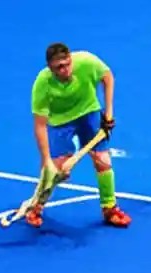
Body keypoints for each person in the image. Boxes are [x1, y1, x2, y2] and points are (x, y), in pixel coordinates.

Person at [24, 43, 130, 229]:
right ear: (50, 67)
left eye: (67, 64)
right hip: (59, 122)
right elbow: (40, 126)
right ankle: (36, 206)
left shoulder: (87, 62)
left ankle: (109, 208)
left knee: (102, 159)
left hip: (89, 112)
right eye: (59, 67)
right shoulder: (42, 84)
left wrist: (109, 112)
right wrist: (46, 159)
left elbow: (107, 77)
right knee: (54, 169)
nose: (65, 70)